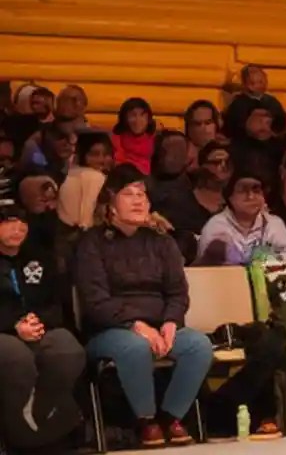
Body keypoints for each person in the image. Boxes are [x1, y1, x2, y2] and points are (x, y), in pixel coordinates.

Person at [74, 165, 214, 448]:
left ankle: (170, 417)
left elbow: (178, 293)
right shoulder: (91, 243)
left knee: (198, 345)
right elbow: (95, 301)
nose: (138, 200)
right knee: (134, 347)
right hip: (110, 329)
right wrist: (137, 326)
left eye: (143, 194)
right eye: (129, 194)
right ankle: (145, 420)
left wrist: (171, 322)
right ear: (110, 204)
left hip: (160, 325)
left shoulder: (162, 242)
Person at [0, 205, 86, 451]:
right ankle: (19, 433)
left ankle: (46, 417)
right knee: (16, 358)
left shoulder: (40, 258)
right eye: (9, 222)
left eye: (22, 223)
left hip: (40, 327)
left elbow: (55, 302)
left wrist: (37, 323)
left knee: (67, 350)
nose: (18, 228)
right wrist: (14, 325)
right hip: (5, 332)